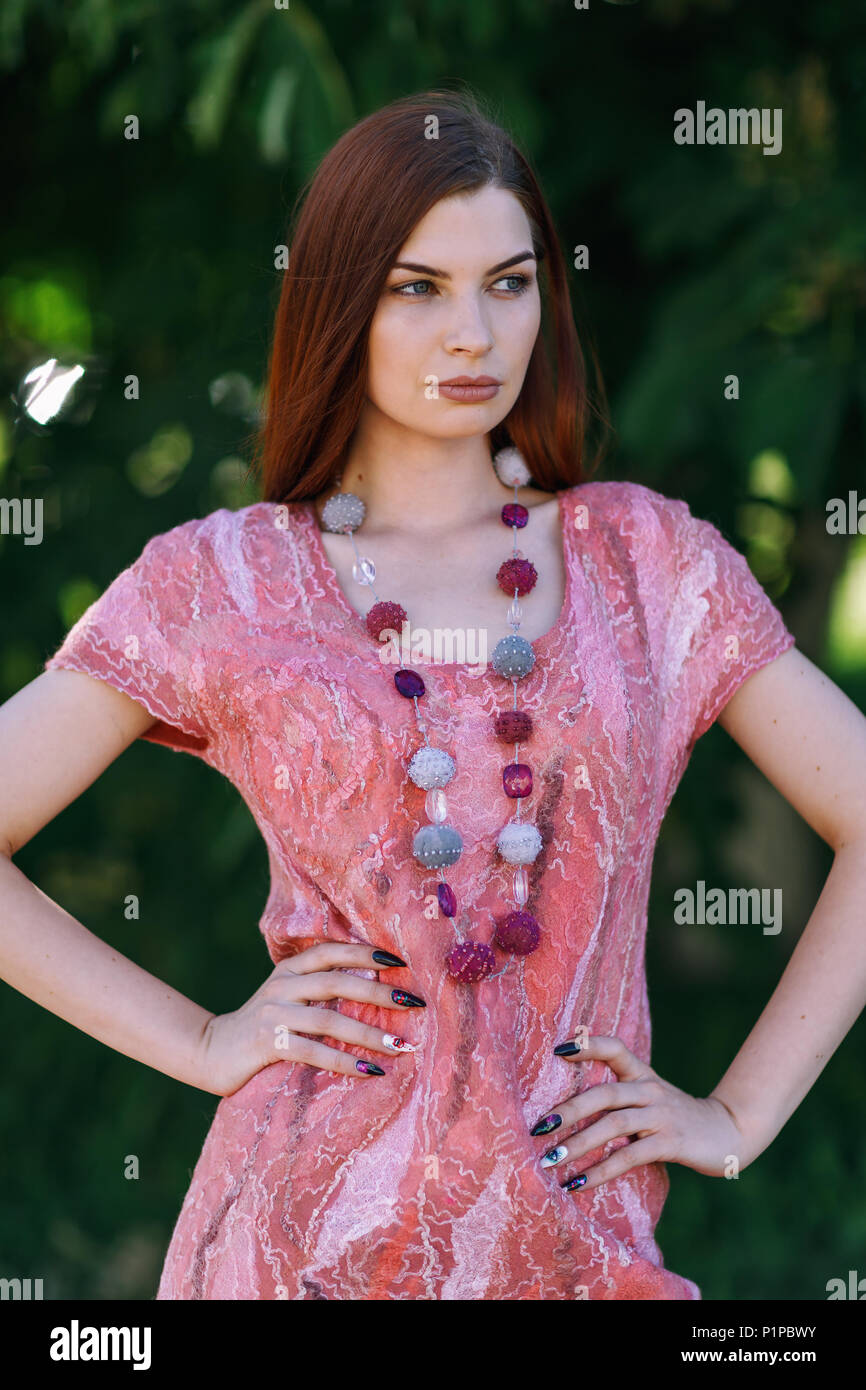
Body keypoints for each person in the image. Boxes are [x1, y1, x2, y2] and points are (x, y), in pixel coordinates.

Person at [3, 88, 865, 1302]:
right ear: (340, 300)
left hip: (579, 1248)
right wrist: (203, 1041)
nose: (474, 333)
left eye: (508, 283)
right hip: (295, 1244)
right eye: (418, 287)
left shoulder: (645, 562)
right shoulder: (227, 578)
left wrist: (736, 1113)